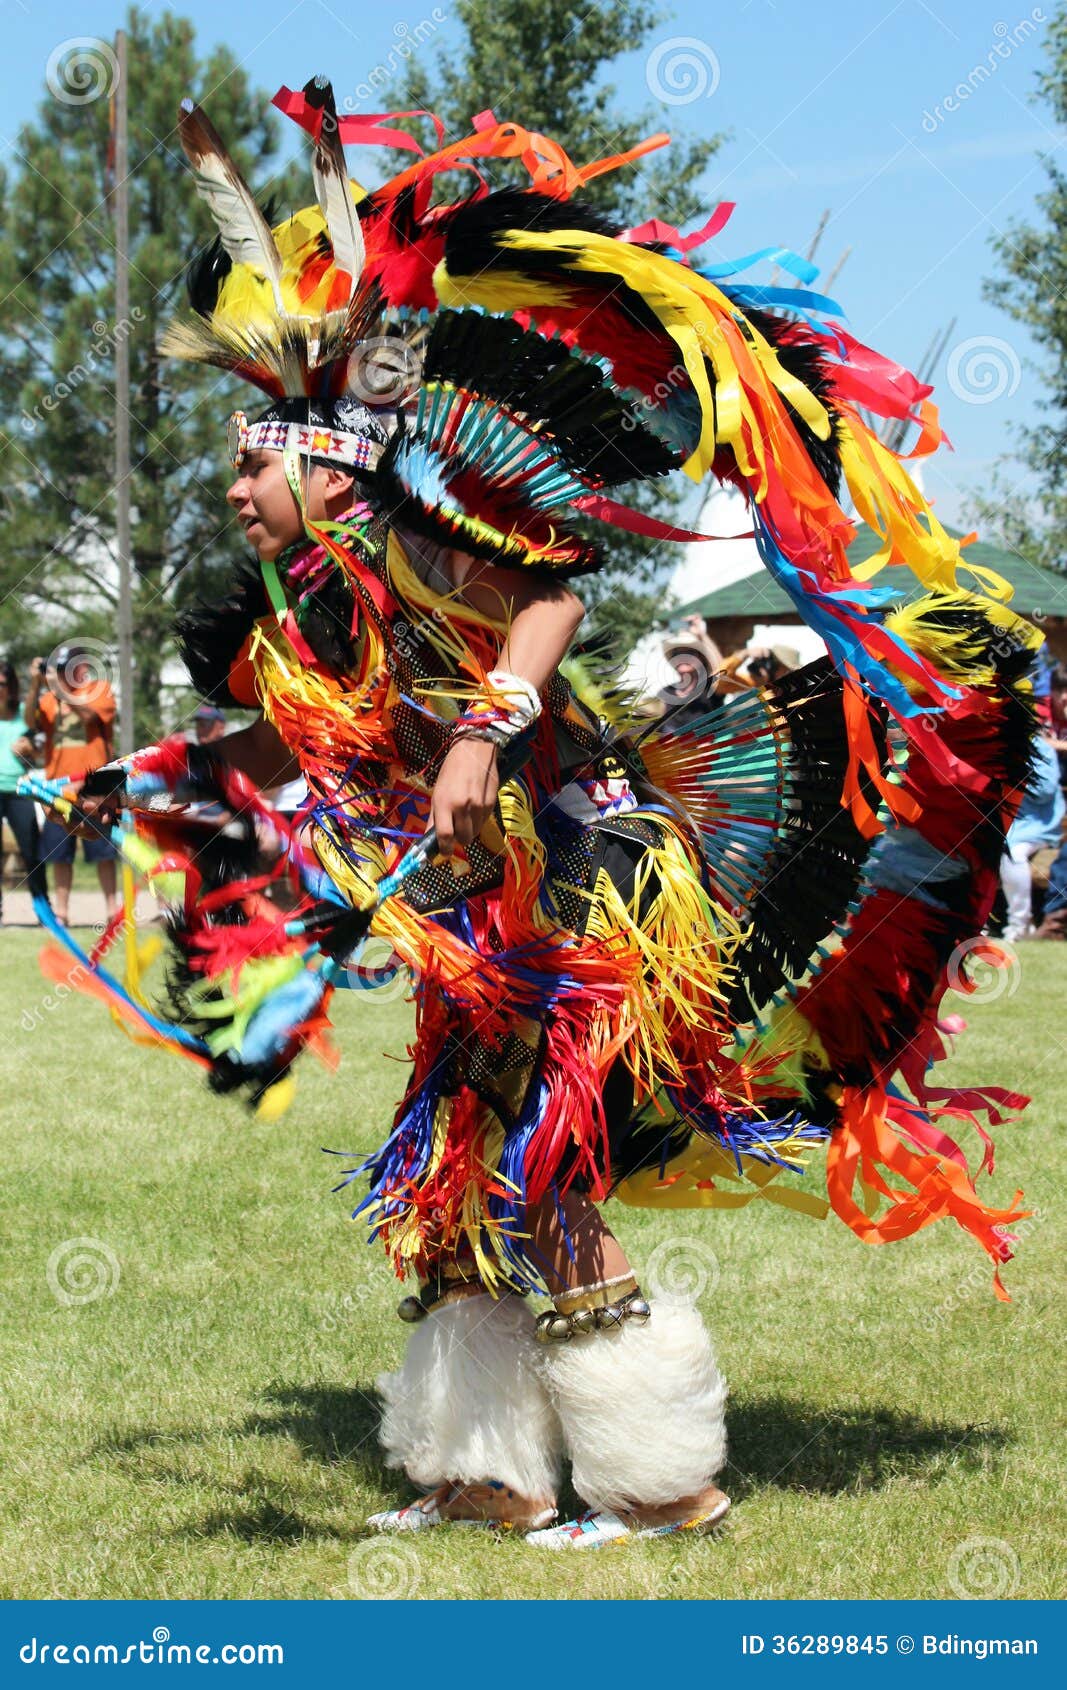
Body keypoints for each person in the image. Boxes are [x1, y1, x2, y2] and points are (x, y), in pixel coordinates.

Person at [60, 84, 1039, 1548]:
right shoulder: (315, 604)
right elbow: (269, 742)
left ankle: (659, 1483)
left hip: (586, 885)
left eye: (256, 462)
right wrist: (129, 780)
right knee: (448, 1179)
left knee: (543, 1158)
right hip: (479, 922)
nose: (238, 486)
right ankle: (489, 1472)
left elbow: (551, 598)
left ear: (326, 464)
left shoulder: (419, 531)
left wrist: (482, 729)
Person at [28, 646, 119, 924]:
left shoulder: (99, 690)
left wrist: (60, 691)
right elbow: (31, 722)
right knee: (59, 854)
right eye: (58, 668)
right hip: (58, 788)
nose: (61, 674)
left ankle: (112, 910)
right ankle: (62, 912)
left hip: (95, 788)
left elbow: (91, 717)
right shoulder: (48, 698)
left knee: (103, 851)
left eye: (66, 668)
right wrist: (36, 684)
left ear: (82, 667)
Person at [999, 734, 1065, 941]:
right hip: (1003, 823)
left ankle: (1019, 924)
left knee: (1013, 854)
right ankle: (977, 924)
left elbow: (1044, 790)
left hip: (1036, 825)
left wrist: (1011, 774)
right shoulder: (991, 743)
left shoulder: (1039, 747)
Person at [0, 658, 48, 921]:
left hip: (19, 789)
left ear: (11, 687)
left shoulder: (23, 712)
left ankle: (43, 910)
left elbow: (41, 742)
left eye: (3, 684)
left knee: (31, 851)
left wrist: (36, 682)